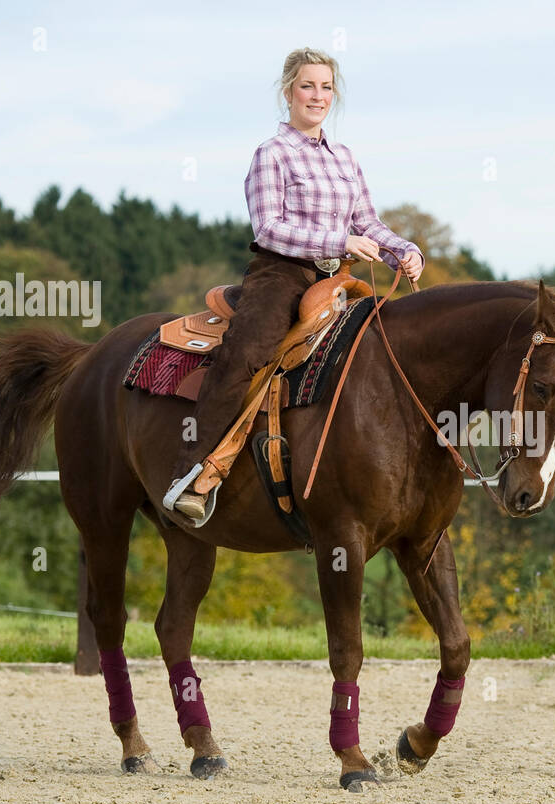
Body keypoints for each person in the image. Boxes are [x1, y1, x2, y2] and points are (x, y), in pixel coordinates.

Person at [164, 47, 424, 522]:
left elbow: (368, 222)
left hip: (336, 278)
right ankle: (194, 473)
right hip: (281, 274)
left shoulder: (345, 157)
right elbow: (268, 228)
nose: (317, 96)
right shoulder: (272, 153)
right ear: (288, 92)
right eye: (308, 86)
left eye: (326, 87)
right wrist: (338, 238)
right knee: (246, 352)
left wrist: (403, 250)